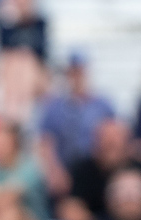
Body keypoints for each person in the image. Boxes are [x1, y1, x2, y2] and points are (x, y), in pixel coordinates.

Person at [37, 52, 115, 195]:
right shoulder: (54, 106)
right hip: (65, 172)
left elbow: (114, 137)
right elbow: (45, 142)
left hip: (96, 172)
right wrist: (54, 171)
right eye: (73, 71)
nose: (76, 76)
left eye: (79, 71)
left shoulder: (102, 105)